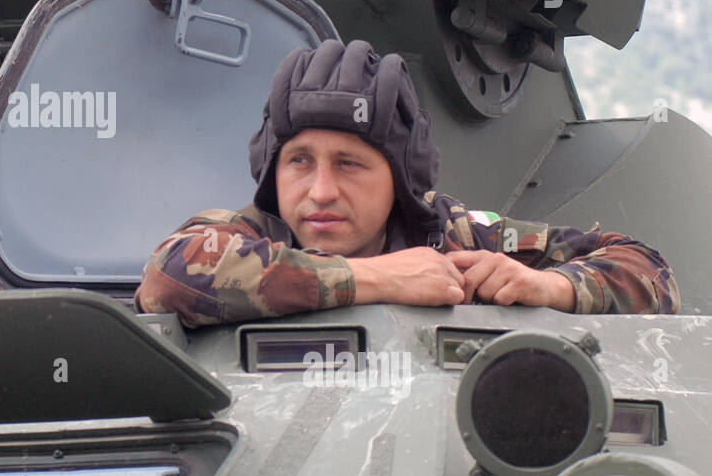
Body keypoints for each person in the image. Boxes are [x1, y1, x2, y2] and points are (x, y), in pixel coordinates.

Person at [134, 39, 680, 327]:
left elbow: (648, 272)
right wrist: (377, 279)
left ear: (399, 180)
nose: (320, 191)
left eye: (349, 164)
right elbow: (168, 278)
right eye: (299, 162)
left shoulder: (453, 237)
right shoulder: (254, 233)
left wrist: (550, 286)